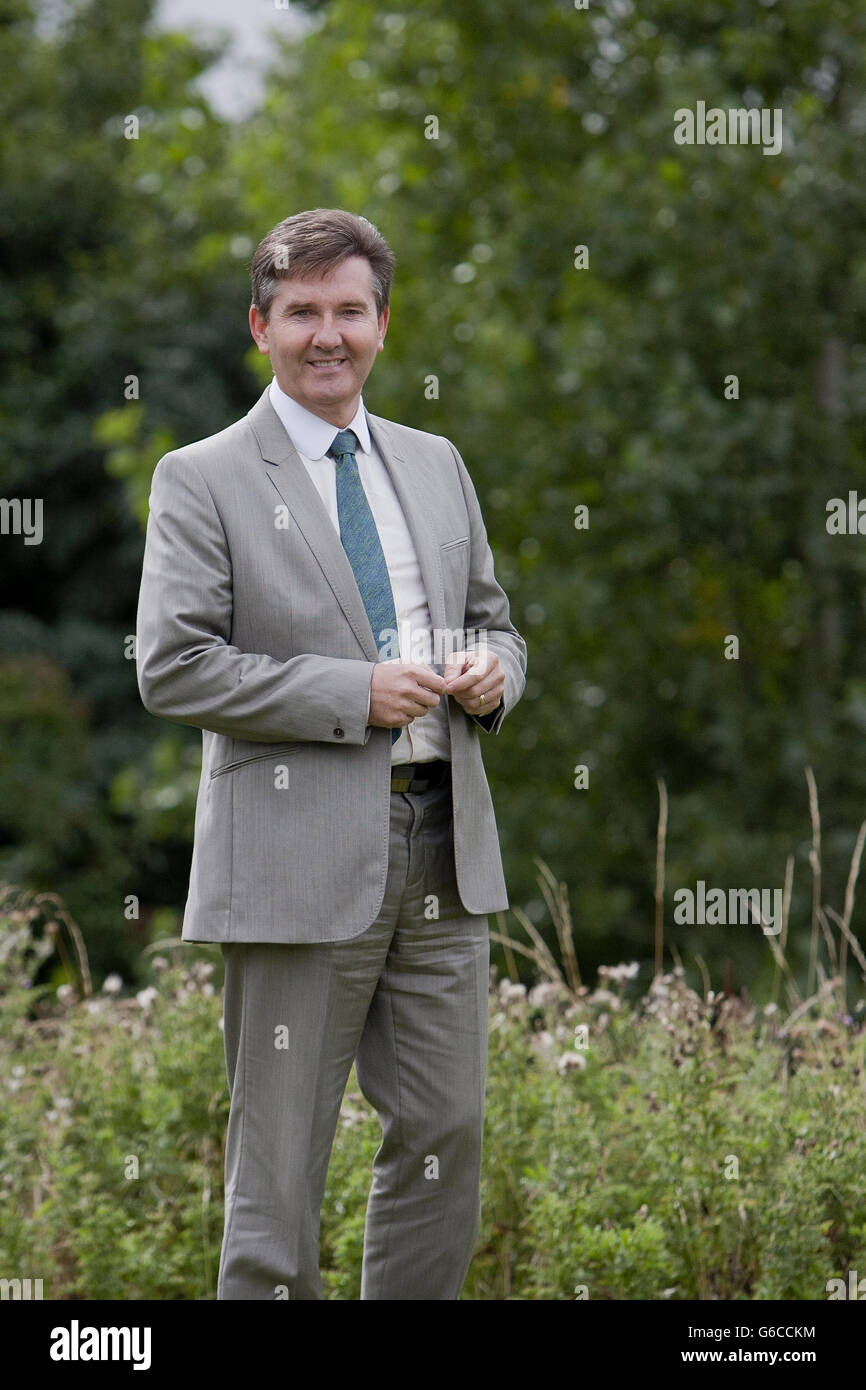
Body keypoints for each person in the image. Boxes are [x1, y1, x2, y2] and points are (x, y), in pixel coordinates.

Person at [135, 208, 527, 1300]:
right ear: (260, 326)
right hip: (290, 861)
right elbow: (171, 666)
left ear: (381, 324)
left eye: (346, 311)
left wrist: (497, 676)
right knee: (278, 1174)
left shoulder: (436, 463)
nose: (326, 334)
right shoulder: (200, 476)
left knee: (444, 1130)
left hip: (444, 848)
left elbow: (494, 621)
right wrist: (348, 695)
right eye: (300, 312)